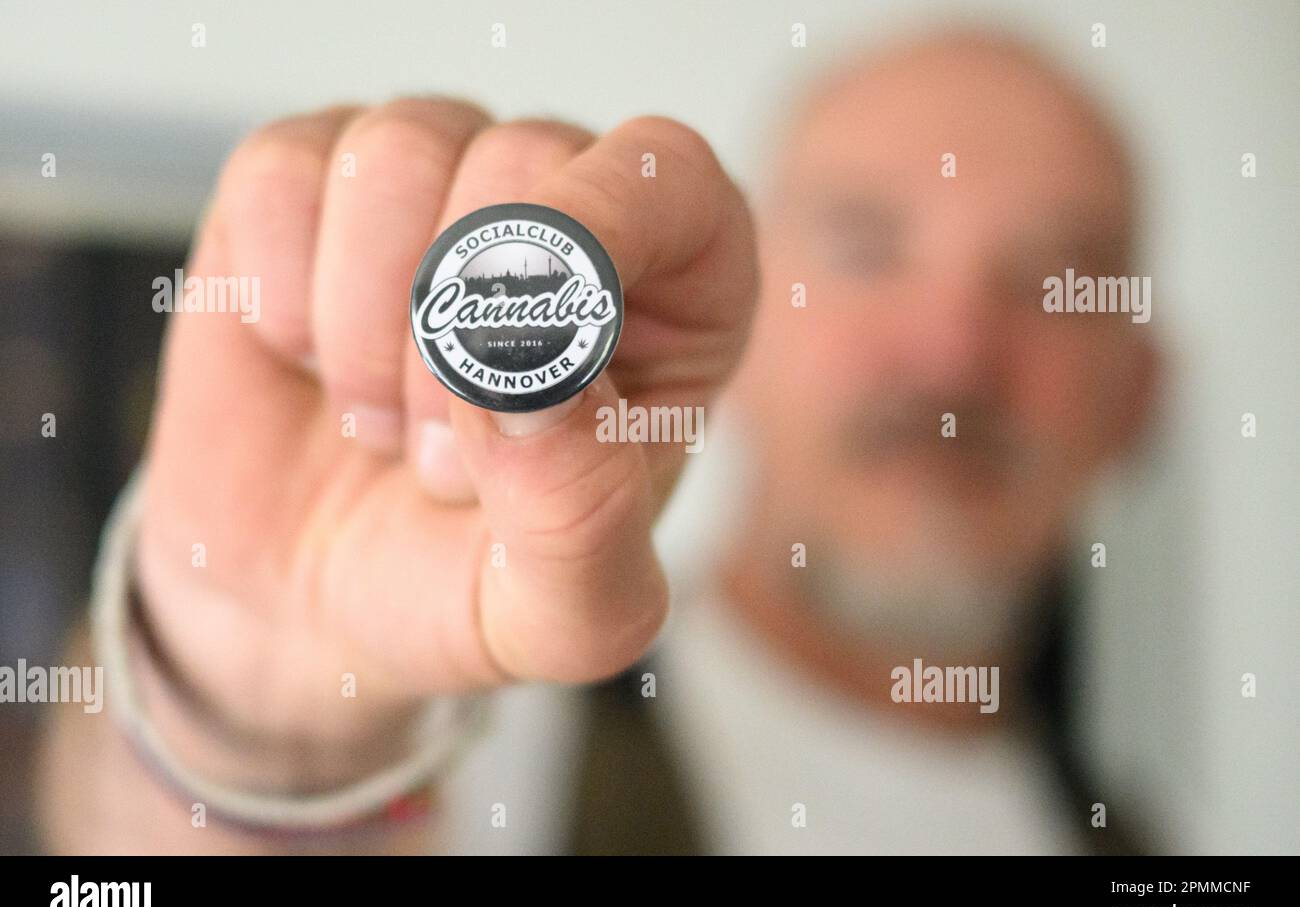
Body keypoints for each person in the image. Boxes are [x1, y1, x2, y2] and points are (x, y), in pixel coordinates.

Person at [38, 29, 1159, 855]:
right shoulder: (479, 718)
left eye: (1050, 282)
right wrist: (247, 713)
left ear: (1139, 397)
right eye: (867, 248)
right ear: (753, 322)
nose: (951, 352)